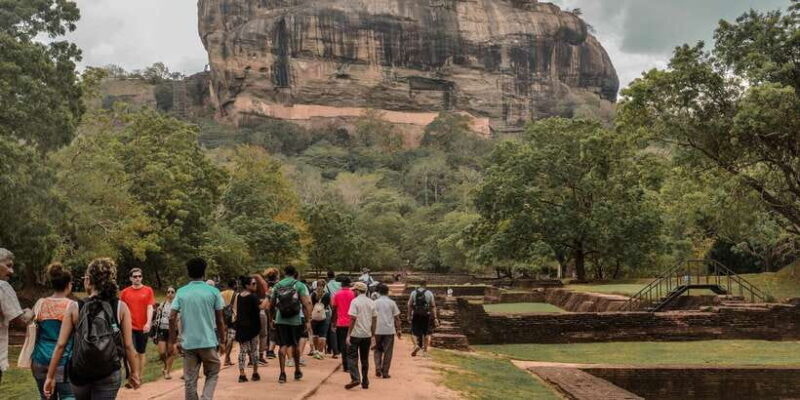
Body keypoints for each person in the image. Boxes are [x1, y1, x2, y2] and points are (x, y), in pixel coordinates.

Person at [44, 257, 141, 399]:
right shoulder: (120, 307)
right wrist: (134, 373)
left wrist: (50, 377)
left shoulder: (75, 307)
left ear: (88, 280)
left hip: (80, 373)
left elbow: (61, 345)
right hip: (109, 371)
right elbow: (128, 345)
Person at [169, 258, 227, 400]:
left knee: (190, 380)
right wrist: (223, 340)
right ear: (204, 272)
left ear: (188, 273)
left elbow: (171, 317)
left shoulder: (181, 292)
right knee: (213, 373)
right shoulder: (213, 292)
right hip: (208, 341)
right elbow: (220, 319)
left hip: (188, 344)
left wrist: (174, 340)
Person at [30, 263, 78, 399]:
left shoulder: (40, 303)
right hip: (62, 361)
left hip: (39, 359)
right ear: (69, 284)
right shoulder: (72, 306)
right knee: (68, 396)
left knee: (45, 396)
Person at [269, 265, 312, 384]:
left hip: (280, 319)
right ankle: (297, 370)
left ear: (284, 273)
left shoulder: (277, 286)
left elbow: (271, 305)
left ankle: (282, 374)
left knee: (283, 345)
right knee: (295, 345)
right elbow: (306, 303)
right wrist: (308, 320)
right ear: (295, 273)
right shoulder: (299, 285)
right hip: (295, 320)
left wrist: (271, 319)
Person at [0, 248, 34, 386]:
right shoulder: (2, 287)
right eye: (7, 265)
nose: (11, 271)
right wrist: (30, 312)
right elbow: (21, 321)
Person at [120, 267, 155, 382]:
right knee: (131, 352)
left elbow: (150, 307)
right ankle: (133, 377)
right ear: (131, 278)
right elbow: (122, 310)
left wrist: (148, 323)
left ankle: (139, 376)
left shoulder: (148, 290)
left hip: (143, 326)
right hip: (129, 327)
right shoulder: (125, 292)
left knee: (141, 352)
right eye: (135, 276)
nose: (137, 278)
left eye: (139, 276)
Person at [344, 282, 376, 390]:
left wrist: (348, 334)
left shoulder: (355, 301)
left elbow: (353, 318)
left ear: (357, 291)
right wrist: (373, 334)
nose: (353, 292)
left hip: (355, 334)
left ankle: (355, 378)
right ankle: (365, 381)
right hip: (366, 334)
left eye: (354, 290)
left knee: (352, 356)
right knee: (364, 358)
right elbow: (374, 319)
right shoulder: (371, 302)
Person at [234, 275, 265, 382]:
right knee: (254, 350)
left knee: (242, 351)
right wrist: (269, 297)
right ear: (247, 285)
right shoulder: (253, 297)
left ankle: (242, 374)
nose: (255, 285)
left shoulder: (239, 296)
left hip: (242, 326)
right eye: (253, 284)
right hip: (253, 327)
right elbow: (262, 307)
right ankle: (255, 372)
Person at [373, 283, 401, 379]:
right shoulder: (392, 303)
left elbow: (372, 317)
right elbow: (397, 318)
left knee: (377, 349)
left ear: (379, 292)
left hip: (377, 329)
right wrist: (399, 329)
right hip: (389, 330)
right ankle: (385, 372)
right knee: (388, 352)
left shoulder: (375, 302)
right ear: (387, 292)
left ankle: (377, 367)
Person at [407, 280, 438, 357]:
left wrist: (409, 315)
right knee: (426, 332)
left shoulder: (413, 293)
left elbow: (410, 305)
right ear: (425, 285)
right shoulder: (429, 293)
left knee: (413, 331)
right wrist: (435, 317)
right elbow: (433, 306)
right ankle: (425, 350)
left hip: (416, 314)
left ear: (419, 285)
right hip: (426, 314)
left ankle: (416, 345)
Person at [330, 276, 355, 372]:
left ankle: (345, 366)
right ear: (349, 284)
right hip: (351, 323)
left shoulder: (337, 294)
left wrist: (333, 322)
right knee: (351, 344)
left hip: (340, 323)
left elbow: (334, 309)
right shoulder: (353, 294)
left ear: (341, 285)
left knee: (343, 345)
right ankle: (351, 363)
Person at [154, 286, 177, 380]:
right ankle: (165, 365)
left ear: (175, 294)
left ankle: (167, 371)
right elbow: (157, 316)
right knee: (162, 352)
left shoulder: (177, 305)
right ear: (166, 294)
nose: (170, 293)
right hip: (162, 330)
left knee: (170, 352)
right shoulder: (162, 304)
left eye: (172, 292)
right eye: (168, 292)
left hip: (172, 331)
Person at [310, 278, 331, 360]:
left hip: (314, 315)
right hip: (324, 314)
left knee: (315, 334)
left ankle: (315, 351)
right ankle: (320, 352)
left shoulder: (313, 294)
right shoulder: (327, 295)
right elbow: (329, 305)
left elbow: (311, 305)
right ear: (324, 285)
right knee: (323, 334)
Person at [263, 268, 280, 360]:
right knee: (273, 328)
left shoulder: (265, 284)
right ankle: (270, 350)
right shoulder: (278, 285)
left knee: (266, 329)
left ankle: (266, 348)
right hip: (274, 309)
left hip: (264, 308)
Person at [220, 279, 237, 366]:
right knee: (230, 339)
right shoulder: (236, 295)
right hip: (232, 320)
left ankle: (227, 358)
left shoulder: (221, 294)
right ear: (234, 285)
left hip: (221, 320)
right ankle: (226, 358)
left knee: (225, 338)